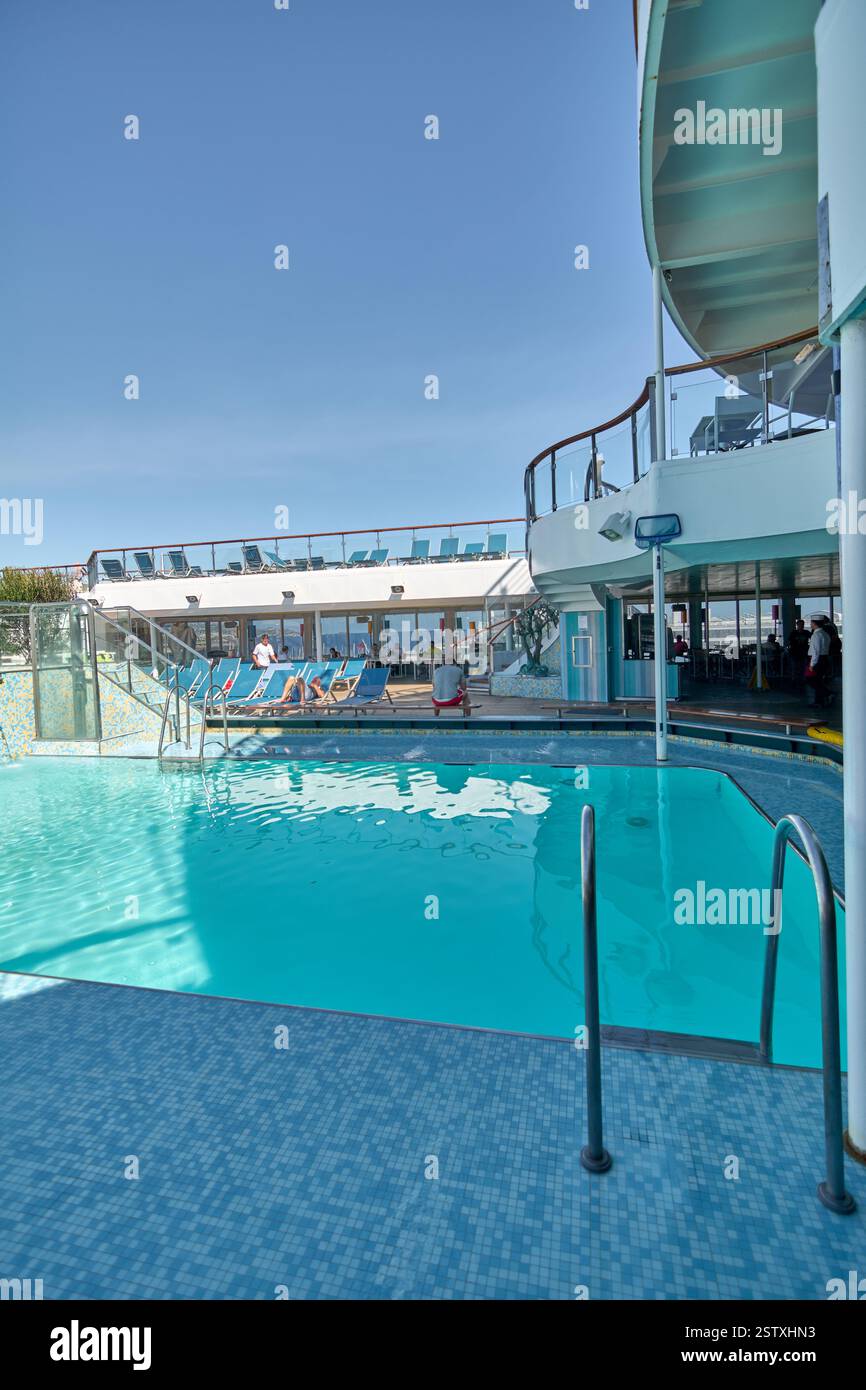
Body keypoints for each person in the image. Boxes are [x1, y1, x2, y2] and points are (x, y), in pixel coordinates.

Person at [805, 616, 832, 708]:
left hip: (817, 659)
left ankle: (827, 693)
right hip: (824, 658)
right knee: (819, 680)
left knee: (811, 679)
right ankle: (819, 701)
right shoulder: (825, 634)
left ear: (815, 623)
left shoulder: (816, 635)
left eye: (811, 622)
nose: (810, 624)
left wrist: (812, 664)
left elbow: (816, 651)